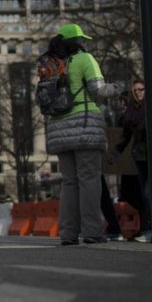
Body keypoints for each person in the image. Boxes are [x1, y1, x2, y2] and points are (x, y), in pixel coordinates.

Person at [44, 23, 118, 245]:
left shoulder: (52, 63)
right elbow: (98, 89)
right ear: (76, 42)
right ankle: (92, 231)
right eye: (81, 39)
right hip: (84, 124)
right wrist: (116, 88)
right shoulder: (85, 59)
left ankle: (68, 233)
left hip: (58, 127)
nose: (84, 42)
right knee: (89, 179)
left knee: (69, 182)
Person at [116, 79, 150, 242]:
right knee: (145, 194)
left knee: (149, 193)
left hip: (145, 154)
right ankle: (148, 228)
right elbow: (126, 134)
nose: (138, 93)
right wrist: (116, 151)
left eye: (141, 89)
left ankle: (149, 229)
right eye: (135, 90)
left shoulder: (145, 109)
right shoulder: (131, 111)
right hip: (140, 155)